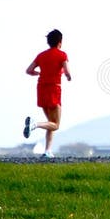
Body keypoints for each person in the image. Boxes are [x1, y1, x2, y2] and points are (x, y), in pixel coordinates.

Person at [23, 29, 72, 158]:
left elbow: (29, 70)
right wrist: (68, 76)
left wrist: (38, 73)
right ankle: (35, 124)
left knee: (50, 122)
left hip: (41, 88)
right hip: (54, 89)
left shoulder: (41, 55)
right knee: (55, 125)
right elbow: (67, 71)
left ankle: (47, 151)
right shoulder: (62, 55)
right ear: (60, 42)